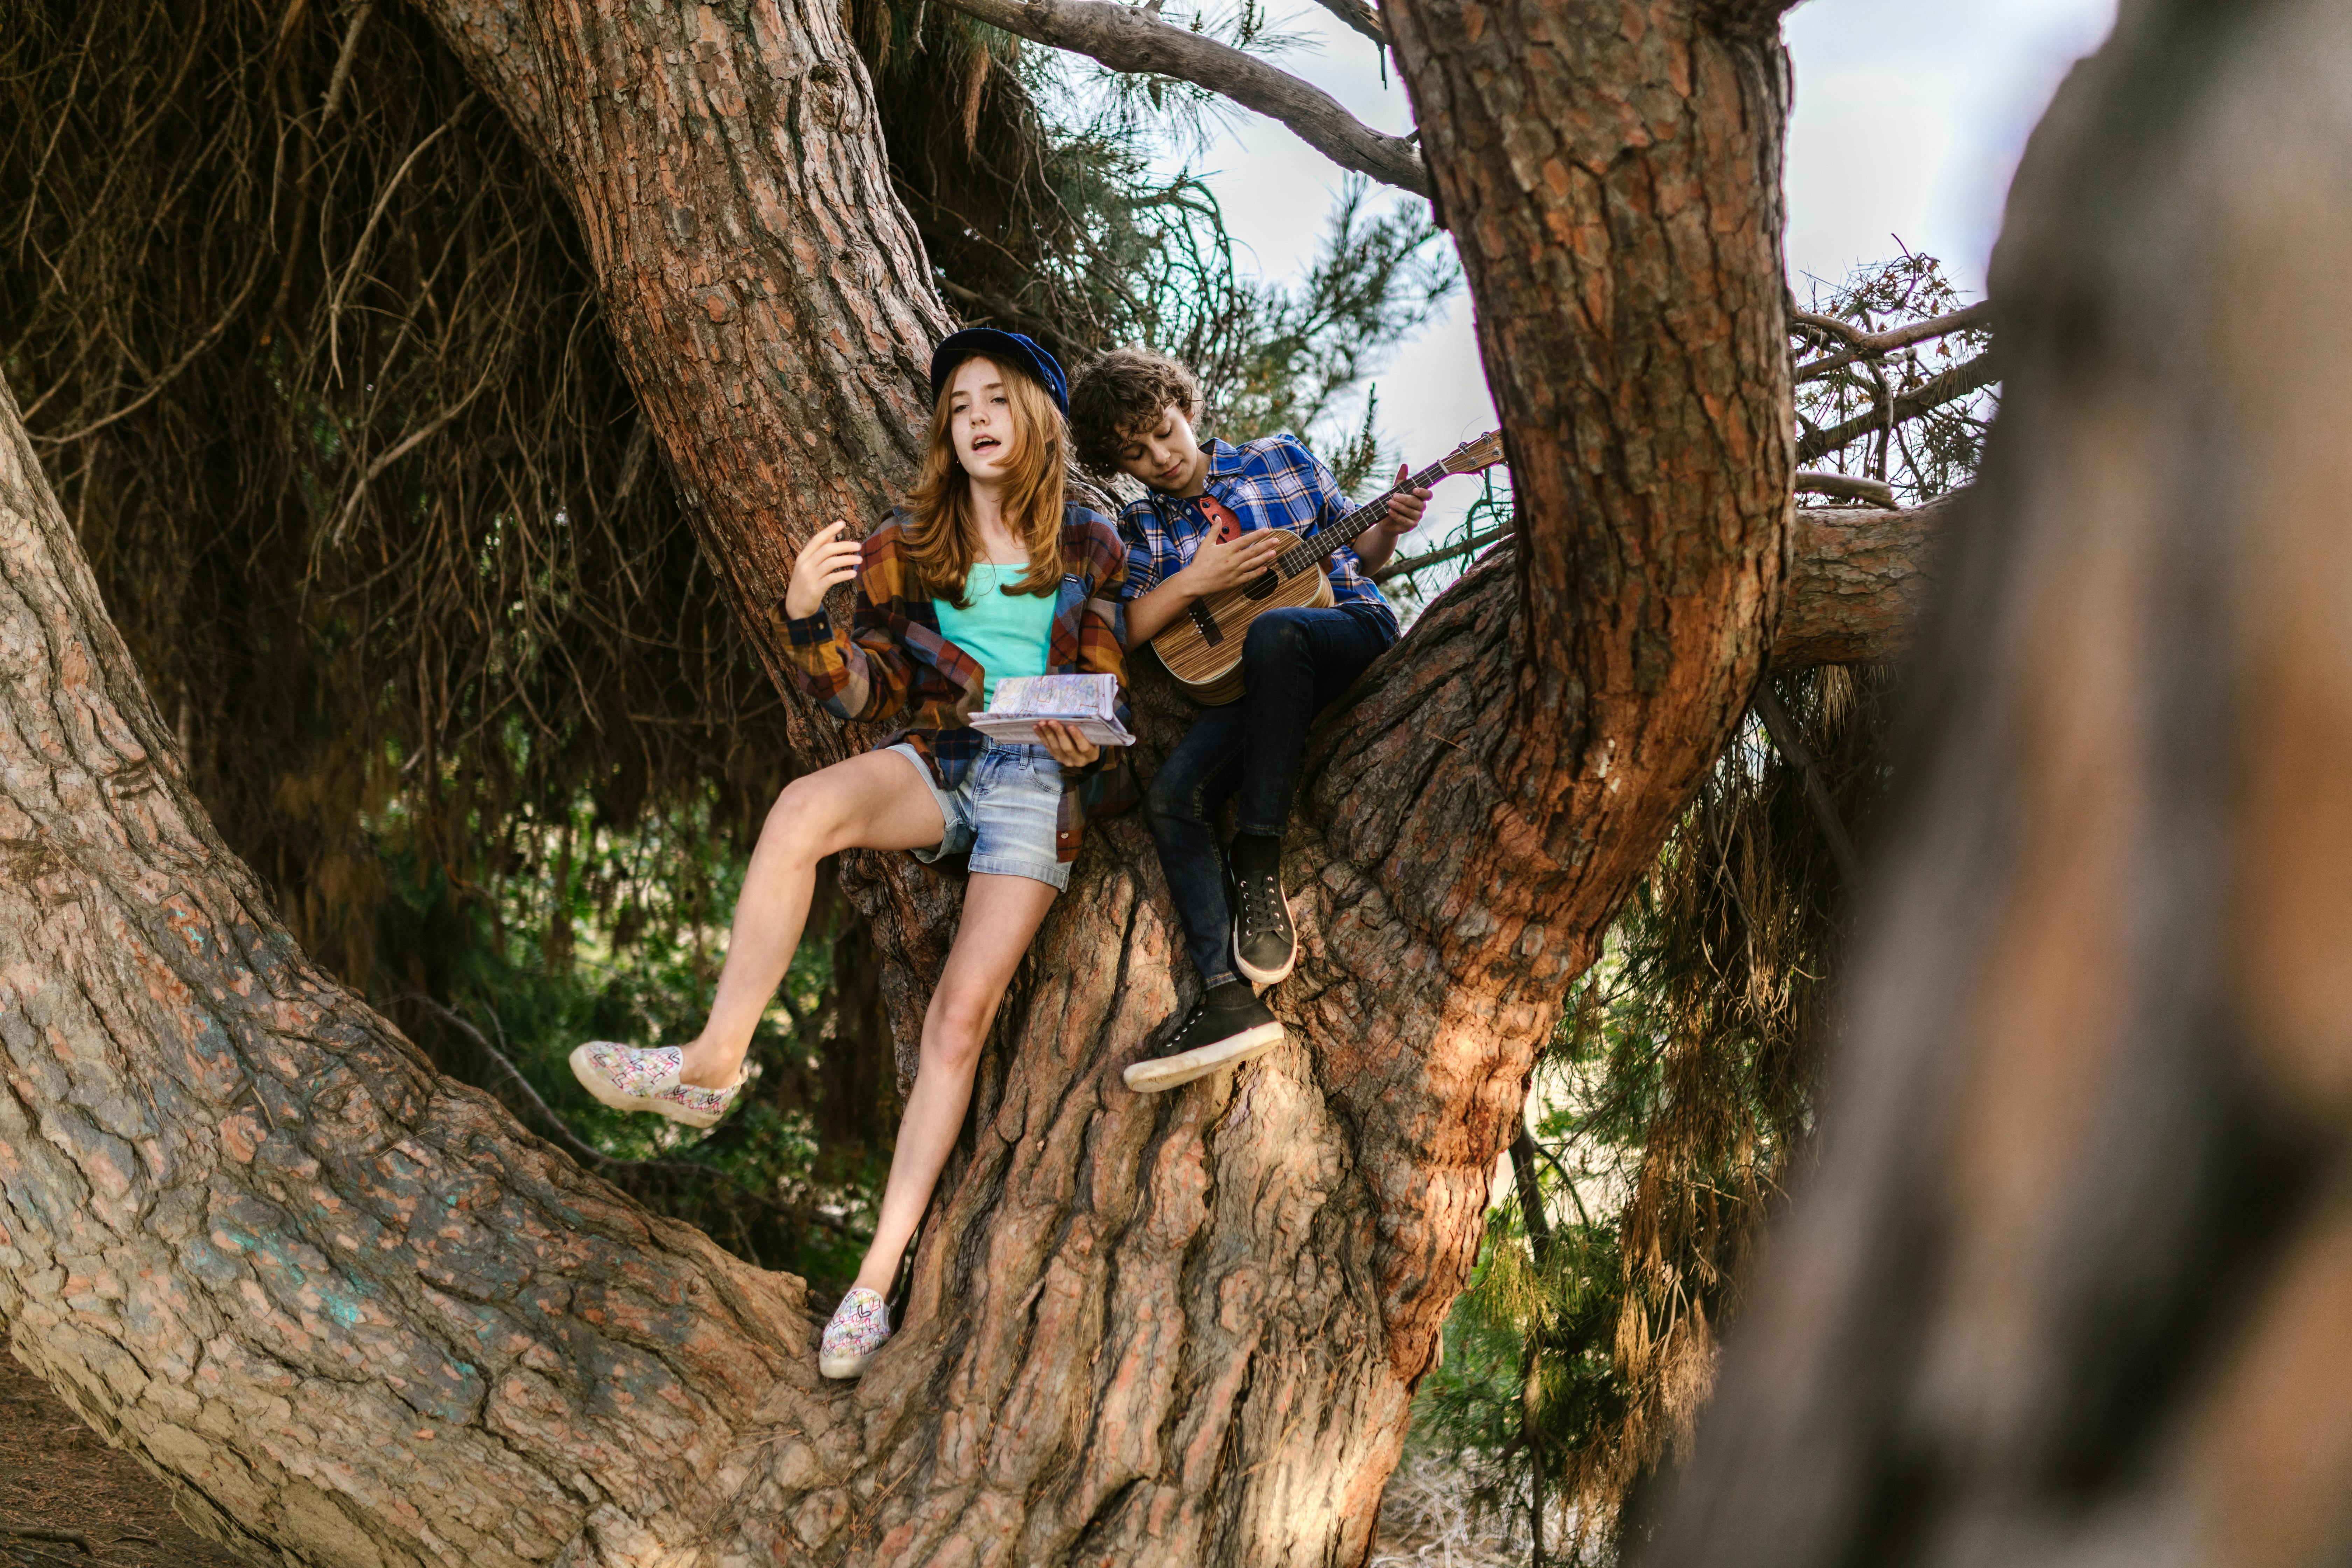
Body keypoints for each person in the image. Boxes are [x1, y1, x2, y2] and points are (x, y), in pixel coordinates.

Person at [570, 330, 1133, 1378]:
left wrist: (1077, 731)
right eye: (959, 403)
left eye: (997, 401)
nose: (974, 419)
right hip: (934, 758)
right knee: (798, 812)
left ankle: (872, 1286)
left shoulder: (1093, 544)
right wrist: (802, 618)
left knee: (957, 1022)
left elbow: (1105, 689)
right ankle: (709, 1062)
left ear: (1038, 419)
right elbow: (859, 693)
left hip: (1036, 788)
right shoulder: (905, 541)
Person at [1066, 348, 1427, 1094]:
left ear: (1185, 408)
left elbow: (1363, 555)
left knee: (1278, 630)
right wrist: (1197, 580)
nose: (1160, 457)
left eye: (1163, 431)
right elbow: (1125, 631)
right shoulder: (1141, 525)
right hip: (1251, 691)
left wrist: (1391, 524)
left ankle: (1257, 861)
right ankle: (1226, 993)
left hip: (1344, 634)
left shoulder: (1280, 457)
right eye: (1134, 453)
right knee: (1172, 793)